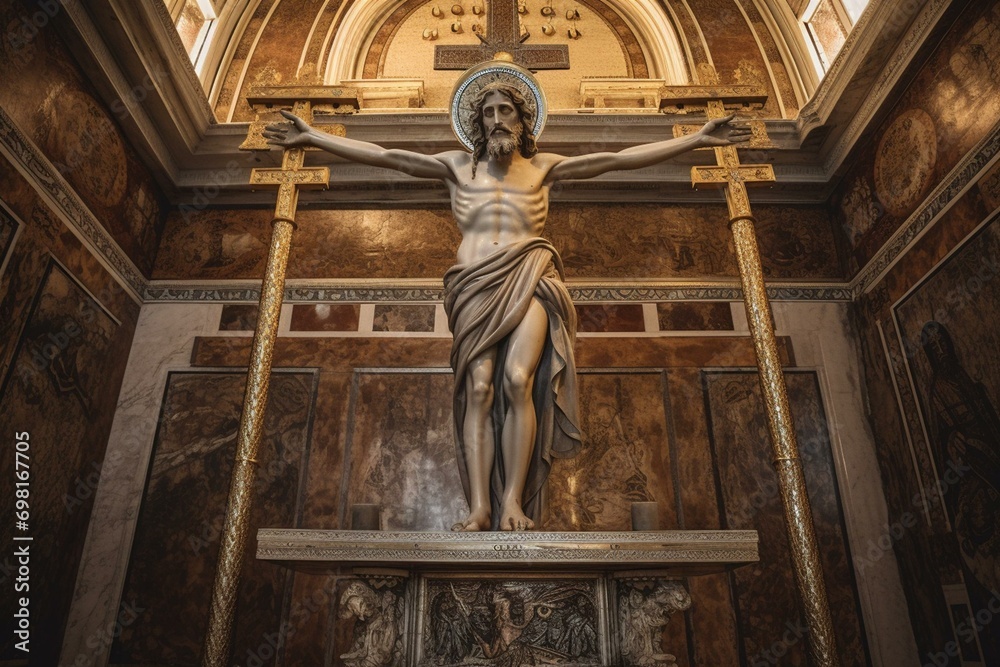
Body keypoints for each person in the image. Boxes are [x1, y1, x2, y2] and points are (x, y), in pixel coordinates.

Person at [264, 59, 750, 532]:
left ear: (522, 119)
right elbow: (390, 158)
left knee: (519, 380)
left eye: (506, 111)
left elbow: (615, 159)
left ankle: (514, 499)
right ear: (477, 122)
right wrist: (313, 138)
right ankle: (479, 507)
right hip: (474, 284)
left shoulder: (543, 168)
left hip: (531, 276)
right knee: (478, 388)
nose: (497, 120)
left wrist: (699, 139)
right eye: (488, 113)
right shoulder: (458, 167)